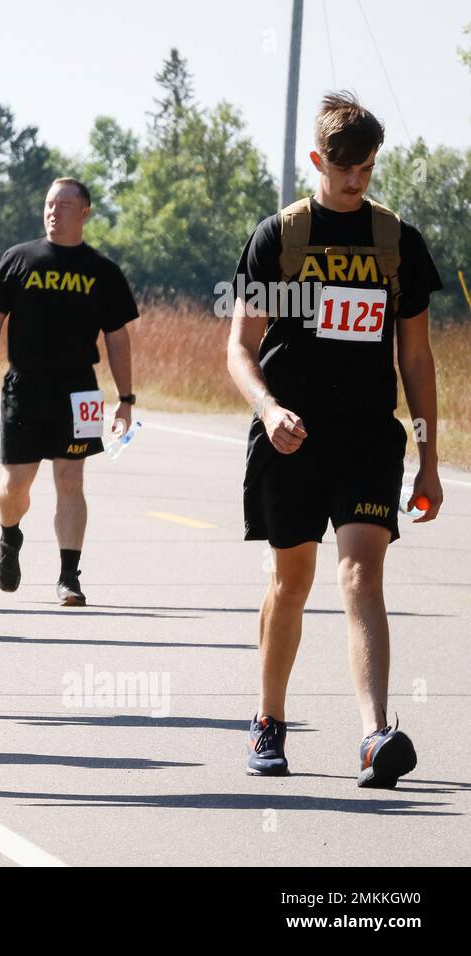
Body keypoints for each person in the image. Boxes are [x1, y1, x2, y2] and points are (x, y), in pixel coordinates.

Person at [226, 93, 444, 788]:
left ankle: (375, 736)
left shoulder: (395, 243)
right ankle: (268, 720)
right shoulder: (281, 237)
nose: (358, 182)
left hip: (367, 442)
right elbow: (239, 346)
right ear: (318, 161)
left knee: (361, 575)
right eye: (346, 169)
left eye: (369, 170)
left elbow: (415, 359)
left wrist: (429, 457)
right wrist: (267, 410)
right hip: (291, 439)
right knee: (292, 581)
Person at [0, 177, 138, 607]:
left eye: (64, 205)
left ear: (84, 213)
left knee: (70, 479)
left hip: (79, 390)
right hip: (24, 385)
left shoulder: (102, 271)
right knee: (15, 485)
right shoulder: (18, 259)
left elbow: (118, 338)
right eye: (49, 204)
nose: (53, 211)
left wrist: (126, 398)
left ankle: (69, 576)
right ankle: (10, 538)